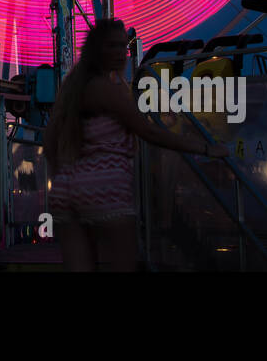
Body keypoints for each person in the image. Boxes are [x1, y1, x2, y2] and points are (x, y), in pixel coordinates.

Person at [43, 19, 228, 271]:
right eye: (112, 46)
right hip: (105, 186)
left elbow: (49, 140)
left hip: (65, 190)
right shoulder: (107, 89)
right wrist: (205, 148)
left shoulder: (70, 87)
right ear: (97, 50)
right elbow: (148, 132)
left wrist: (63, 174)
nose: (121, 53)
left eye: (124, 46)